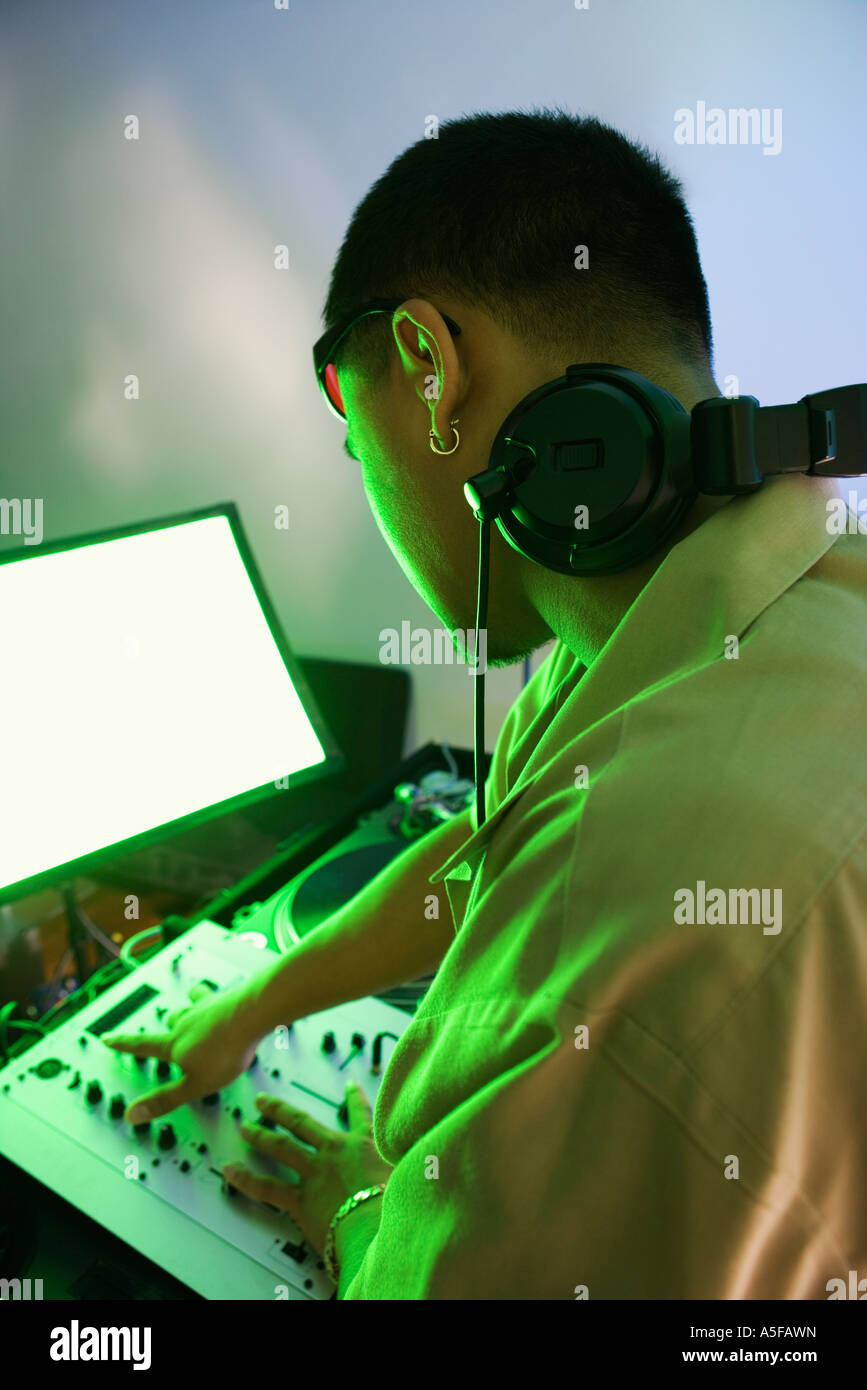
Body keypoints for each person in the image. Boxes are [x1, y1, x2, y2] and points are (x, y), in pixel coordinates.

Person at [104, 109, 867, 1299]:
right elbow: (487, 853)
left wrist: (361, 1205)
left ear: (429, 364)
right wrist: (255, 1003)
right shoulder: (707, 608)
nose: (365, 475)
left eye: (353, 431)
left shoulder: (650, 906)